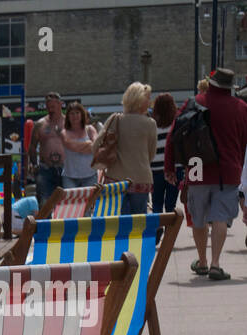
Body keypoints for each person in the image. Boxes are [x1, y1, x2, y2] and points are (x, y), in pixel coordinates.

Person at [168, 68, 247, 279]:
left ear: (211, 83)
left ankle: (201, 261)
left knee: (199, 217)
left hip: (196, 167)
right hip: (229, 170)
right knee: (220, 217)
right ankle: (215, 264)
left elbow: (174, 135)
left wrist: (169, 166)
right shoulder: (241, 108)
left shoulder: (194, 102)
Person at [98, 82, 157, 215]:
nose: (150, 102)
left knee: (118, 221)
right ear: (140, 100)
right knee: (138, 221)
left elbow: (97, 144)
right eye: (148, 98)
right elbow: (151, 154)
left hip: (115, 178)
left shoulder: (115, 119)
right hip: (141, 178)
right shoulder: (150, 123)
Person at [30, 92, 67, 202]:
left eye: (53, 106)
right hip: (45, 169)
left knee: (65, 202)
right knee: (45, 202)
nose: (51, 109)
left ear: (60, 104)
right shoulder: (40, 124)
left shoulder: (68, 123)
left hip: (65, 169)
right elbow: (32, 147)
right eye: (48, 106)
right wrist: (35, 165)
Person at [150, 92, 183, 213]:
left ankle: (157, 227)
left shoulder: (152, 124)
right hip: (175, 168)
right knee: (171, 204)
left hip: (155, 168)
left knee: (156, 202)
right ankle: (170, 230)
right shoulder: (177, 123)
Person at [60, 101, 96, 188]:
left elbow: (96, 147)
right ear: (67, 116)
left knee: (90, 202)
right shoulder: (64, 132)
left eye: (77, 113)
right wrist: (88, 143)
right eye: (72, 113)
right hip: (70, 177)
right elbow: (71, 146)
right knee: (70, 202)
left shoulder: (90, 129)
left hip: (90, 176)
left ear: (82, 114)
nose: (74, 116)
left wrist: (79, 146)